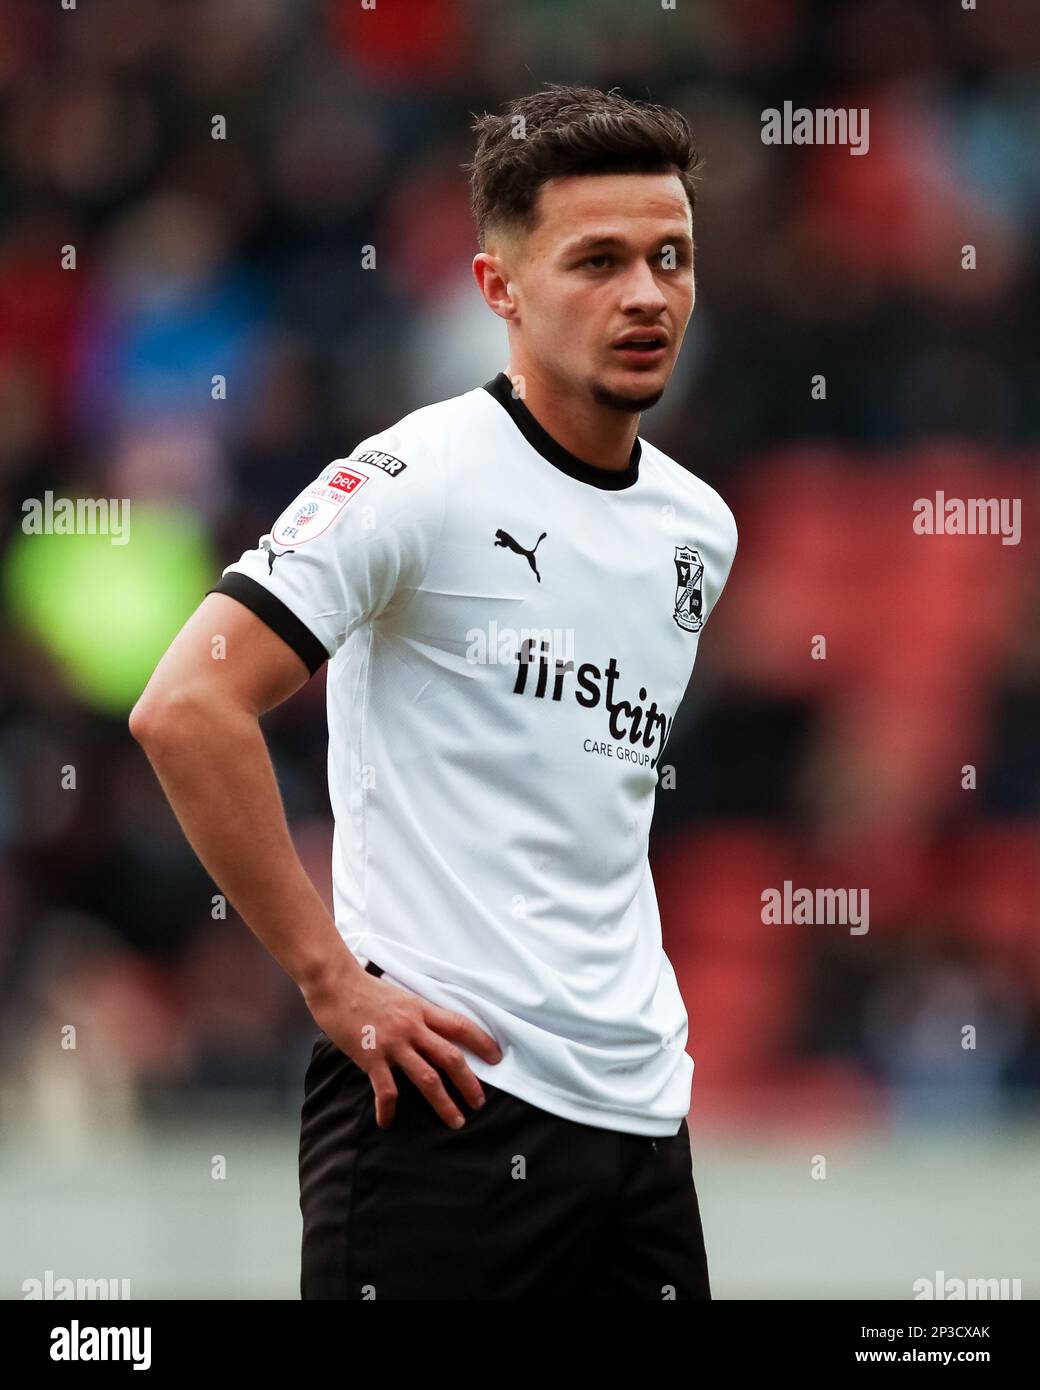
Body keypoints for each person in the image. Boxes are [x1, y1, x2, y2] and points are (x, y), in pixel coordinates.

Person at [130, 82, 738, 1300]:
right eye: (598, 261)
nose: (645, 294)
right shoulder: (416, 478)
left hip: (636, 1116)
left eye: (669, 258)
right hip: (441, 1105)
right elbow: (186, 706)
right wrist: (327, 980)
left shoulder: (698, 529)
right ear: (496, 288)